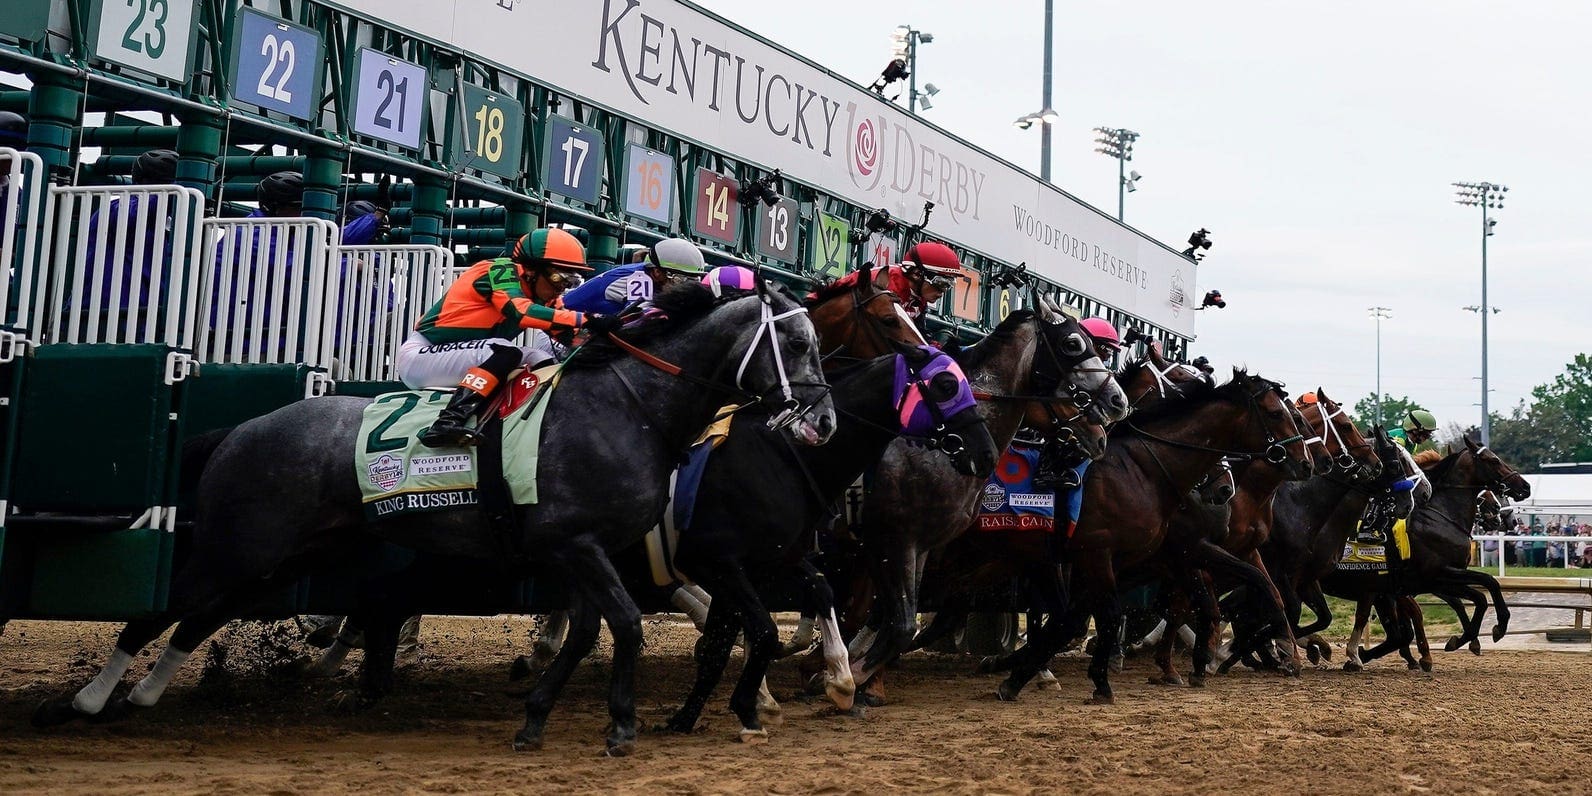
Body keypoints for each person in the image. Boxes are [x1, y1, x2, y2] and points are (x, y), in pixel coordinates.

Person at [397, 227, 602, 447]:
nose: (562, 288)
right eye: (559, 278)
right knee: (505, 351)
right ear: (532, 270)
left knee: (541, 358)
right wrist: (585, 319)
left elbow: (571, 337)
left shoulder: (546, 297)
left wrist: (607, 333)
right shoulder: (498, 269)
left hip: (467, 353)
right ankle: (446, 422)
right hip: (422, 355)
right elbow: (519, 310)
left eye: (572, 281)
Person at [85, 148, 180, 313]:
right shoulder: (117, 208)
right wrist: (178, 189)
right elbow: (140, 212)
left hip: (144, 318)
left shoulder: (170, 222)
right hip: (102, 317)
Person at [808, 241, 966, 332]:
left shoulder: (919, 295)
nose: (943, 291)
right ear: (917, 274)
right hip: (815, 325)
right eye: (941, 283)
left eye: (949, 285)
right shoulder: (887, 286)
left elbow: (917, 333)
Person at [561, 237, 706, 316]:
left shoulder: (648, 275)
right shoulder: (640, 279)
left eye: (694, 281)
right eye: (680, 280)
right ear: (657, 272)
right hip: (558, 330)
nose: (686, 288)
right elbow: (638, 319)